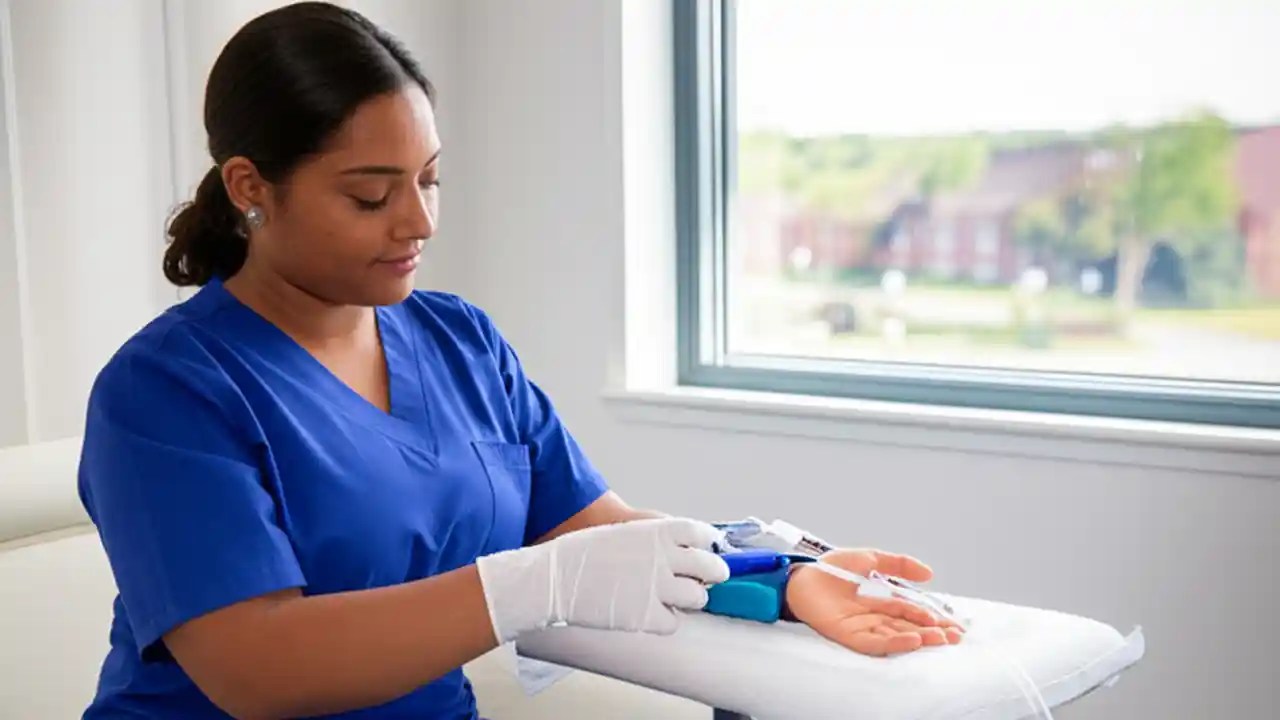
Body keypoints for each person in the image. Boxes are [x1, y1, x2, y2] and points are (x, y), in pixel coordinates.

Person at [77, 3, 960, 718]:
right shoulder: (166, 391)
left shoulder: (459, 341)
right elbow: (257, 670)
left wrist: (782, 576)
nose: (419, 222)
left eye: (429, 179)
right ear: (249, 188)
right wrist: (524, 587)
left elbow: (591, 532)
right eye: (371, 195)